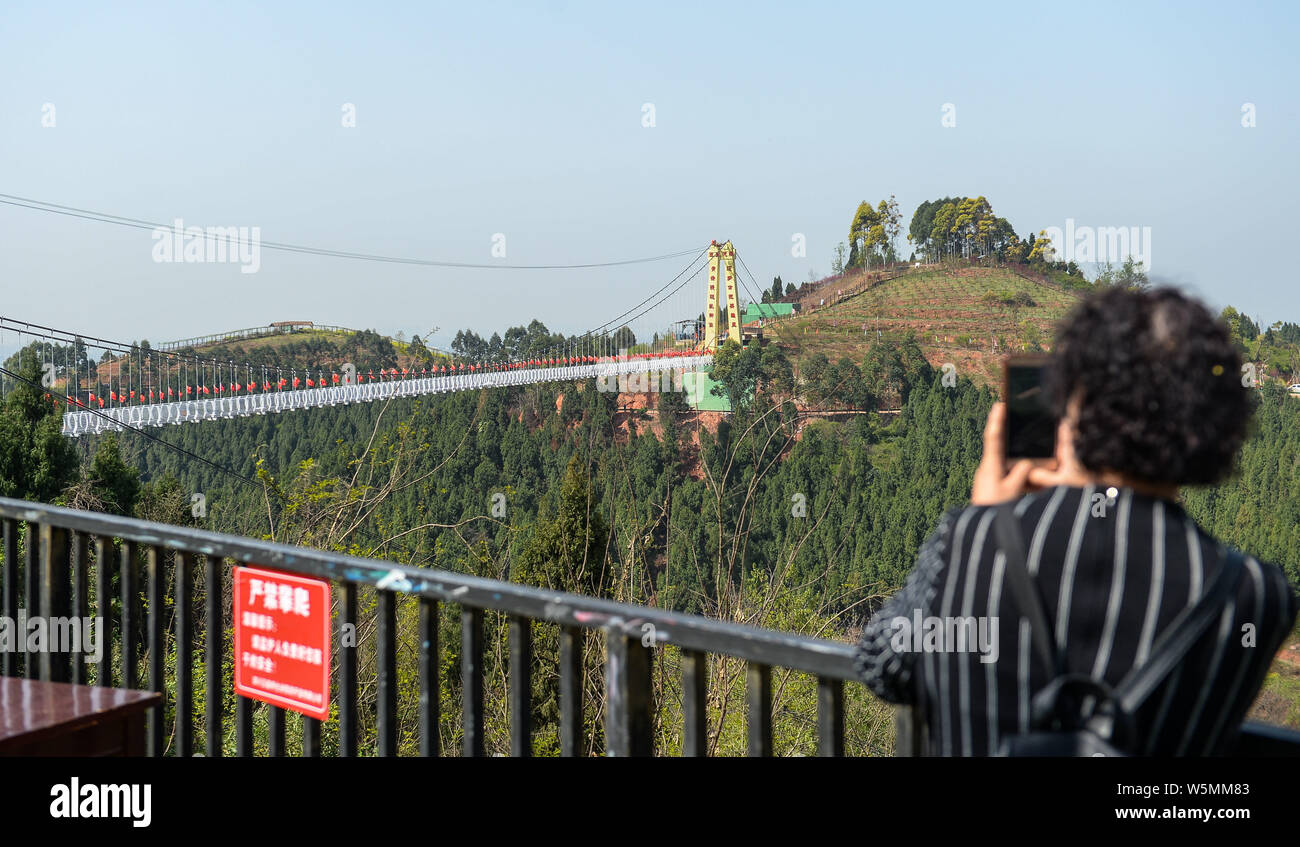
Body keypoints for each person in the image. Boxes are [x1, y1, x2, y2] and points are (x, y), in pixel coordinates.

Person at [855, 286, 1298, 756]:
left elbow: (882, 666)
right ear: (1216, 424)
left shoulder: (972, 538)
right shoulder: (1254, 595)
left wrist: (984, 519)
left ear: (1071, 405)